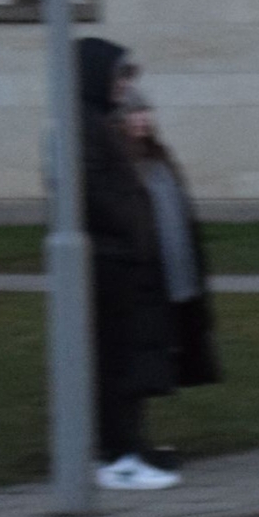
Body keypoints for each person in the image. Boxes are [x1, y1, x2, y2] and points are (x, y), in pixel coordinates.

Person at [74, 37, 181, 491]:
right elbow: (97, 194)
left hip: (122, 259)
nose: (123, 87)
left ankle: (129, 446)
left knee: (127, 360)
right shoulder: (85, 125)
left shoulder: (96, 121)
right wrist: (129, 229)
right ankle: (117, 454)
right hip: (108, 261)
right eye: (118, 76)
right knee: (114, 363)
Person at [120, 90, 221, 453]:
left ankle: (139, 441)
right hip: (146, 281)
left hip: (176, 275)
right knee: (140, 362)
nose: (141, 118)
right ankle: (131, 442)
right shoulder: (122, 163)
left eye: (144, 110)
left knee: (161, 358)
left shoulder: (160, 159)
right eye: (133, 112)